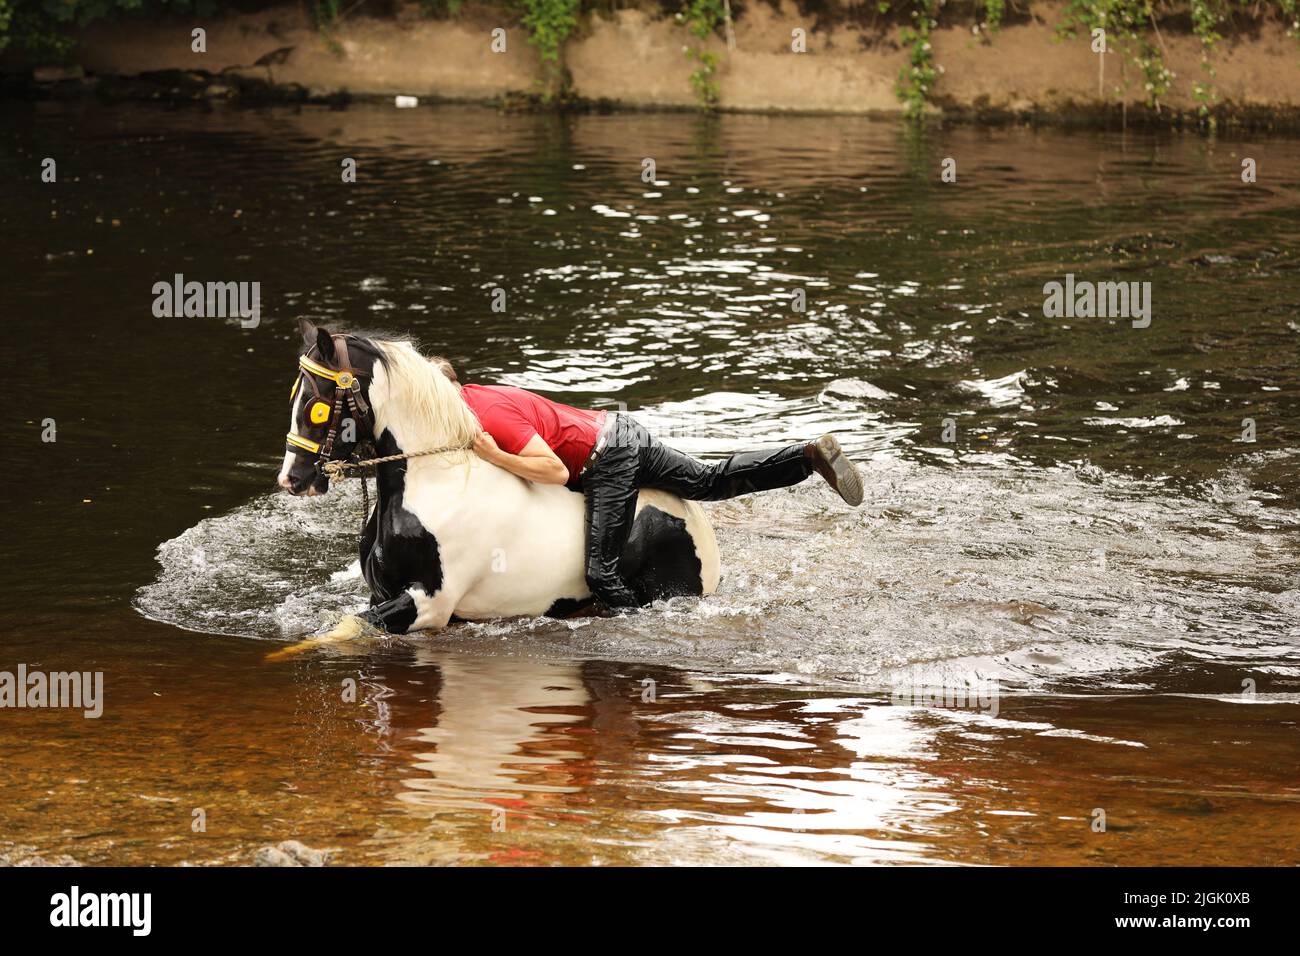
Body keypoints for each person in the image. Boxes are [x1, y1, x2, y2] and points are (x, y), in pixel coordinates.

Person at [437, 360, 864, 611]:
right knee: (708, 480)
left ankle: (640, 642)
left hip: (606, 459)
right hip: (621, 431)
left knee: (601, 576)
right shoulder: (479, 396)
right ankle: (806, 456)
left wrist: (494, 456)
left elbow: (554, 472)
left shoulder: (486, 414)